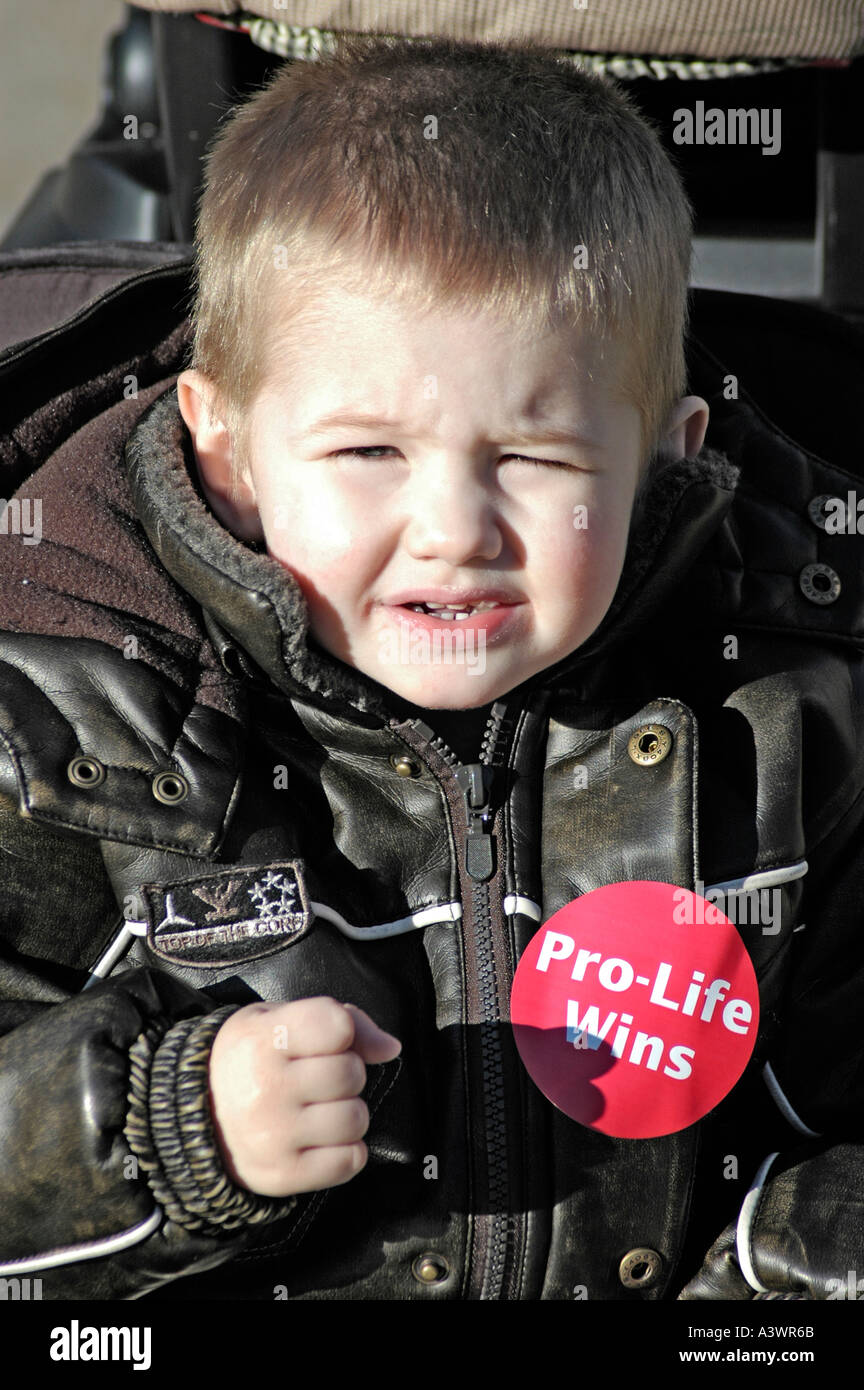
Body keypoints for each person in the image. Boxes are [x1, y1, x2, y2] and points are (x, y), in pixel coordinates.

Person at [0, 33, 862, 1302]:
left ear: (666, 463)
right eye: (367, 454)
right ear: (227, 450)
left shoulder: (798, 714)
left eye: (536, 459)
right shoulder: (63, 727)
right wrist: (164, 1134)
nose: (455, 526)